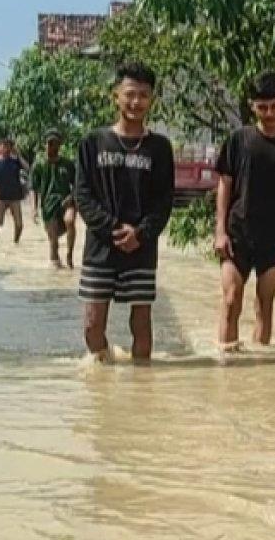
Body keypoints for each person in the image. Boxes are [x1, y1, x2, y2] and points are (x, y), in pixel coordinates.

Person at [75, 63, 175, 362]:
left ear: (152, 100)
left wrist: (141, 233)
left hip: (141, 247)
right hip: (100, 247)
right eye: (130, 94)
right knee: (92, 325)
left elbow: (164, 200)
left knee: (141, 325)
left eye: (143, 95)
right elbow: (83, 195)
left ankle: (141, 389)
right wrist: (112, 229)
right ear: (115, 95)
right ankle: (103, 383)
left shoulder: (159, 147)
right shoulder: (92, 142)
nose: (136, 102)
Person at [213, 70, 275, 351]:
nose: (269, 113)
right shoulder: (239, 140)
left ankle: (259, 368)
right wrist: (220, 230)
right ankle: (226, 365)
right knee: (232, 299)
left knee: (264, 305)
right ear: (252, 106)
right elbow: (224, 185)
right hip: (237, 233)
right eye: (262, 107)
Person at [31, 129, 79, 268]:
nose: (52, 146)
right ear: (45, 144)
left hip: (66, 200)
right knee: (53, 242)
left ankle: (70, 253)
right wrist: (34, 209)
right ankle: (55, 264)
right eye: (50, 143)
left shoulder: (68, 164)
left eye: (56, 143)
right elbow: (34, 188)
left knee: (70, 221)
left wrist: (72, 196)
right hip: (48, 204)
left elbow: (77, 183)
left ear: (60, 145)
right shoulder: (38, 165)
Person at [0, 138, 29, 245]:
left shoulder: (15, 161)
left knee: (19, 224)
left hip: (15, 196)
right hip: (0, 196)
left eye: (8, 146)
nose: (5, 148)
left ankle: (16, 243)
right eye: (3, 146)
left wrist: (18, 155)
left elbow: (27, 168)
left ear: (11, 148)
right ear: (0, 147)